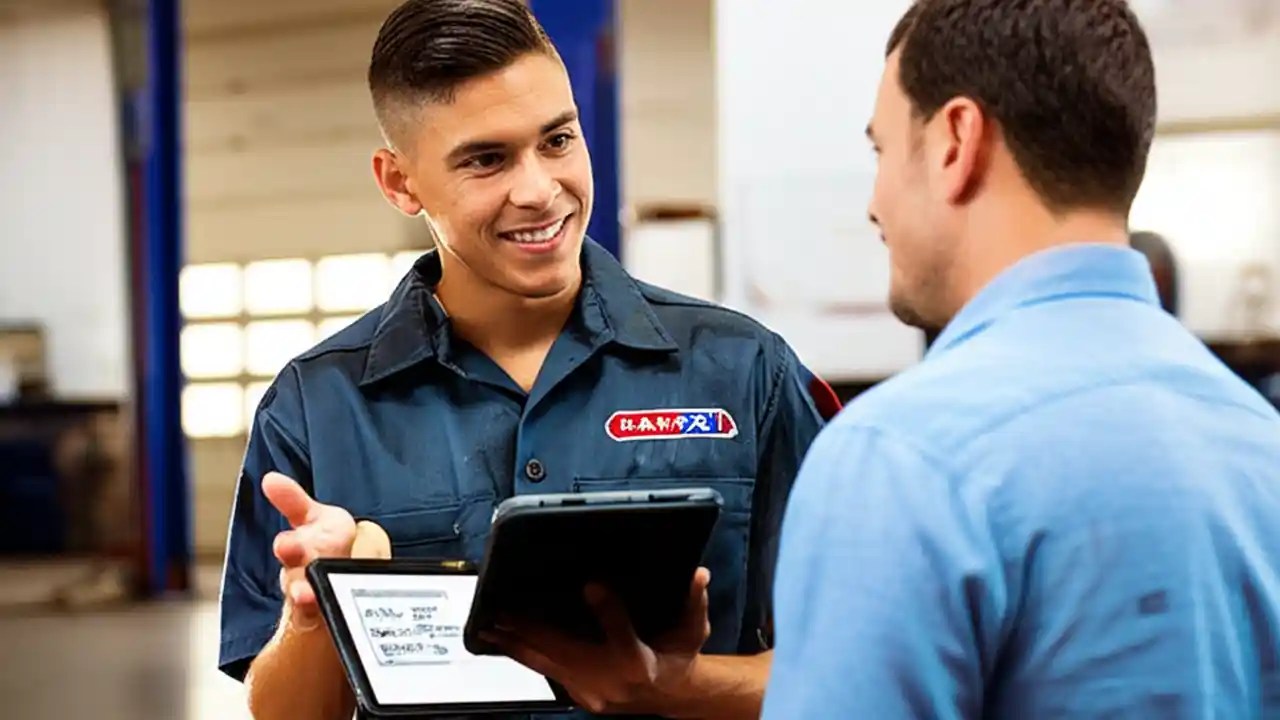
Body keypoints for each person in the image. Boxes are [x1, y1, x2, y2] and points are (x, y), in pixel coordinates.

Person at [216, 1, 834, 718]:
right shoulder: (316, 407)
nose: (540, 190)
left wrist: (678, 689)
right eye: (487, 159)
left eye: (558, 141)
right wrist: (312, 613)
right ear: (399, 182)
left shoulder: (743, 371)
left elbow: (848, 675)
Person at [763, 1, 1280, 718]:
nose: (875, 202)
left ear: (955, 140)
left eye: (881, 151)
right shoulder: (1262, 445)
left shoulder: (898, 460)